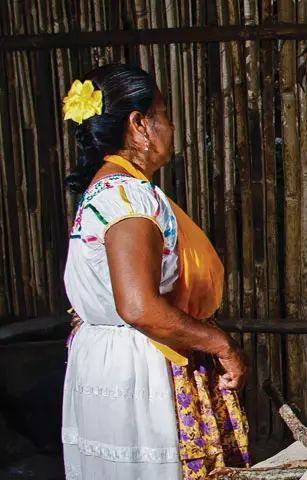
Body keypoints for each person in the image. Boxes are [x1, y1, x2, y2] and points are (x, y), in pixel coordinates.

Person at [59, 64, 252, 479]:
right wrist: (221, 344)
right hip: (138, 373)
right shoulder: (129, 198)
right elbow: (139, 307)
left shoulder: (102, 190)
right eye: (164, 114)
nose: (172, 126)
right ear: (139, 124)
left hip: (105, 361)